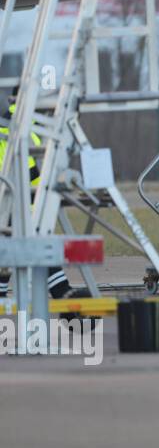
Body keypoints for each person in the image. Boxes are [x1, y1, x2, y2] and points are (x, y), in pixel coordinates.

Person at [0, 94, 70, 298]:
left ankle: (63, 293)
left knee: (14, 245)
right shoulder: (25, 120)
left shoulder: (18, 121)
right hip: (29, 199)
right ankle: (63, 293)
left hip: (16, 200)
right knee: (31, 246)